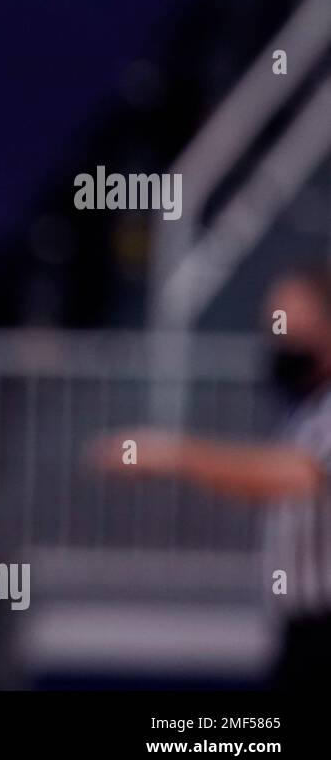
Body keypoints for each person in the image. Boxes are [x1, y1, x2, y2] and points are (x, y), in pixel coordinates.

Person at [90, 268, 331, 688]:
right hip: (300, 631)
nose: (277, 335)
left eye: (290, 322)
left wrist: (171, 454)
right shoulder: (305, 411)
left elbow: (295, 474)